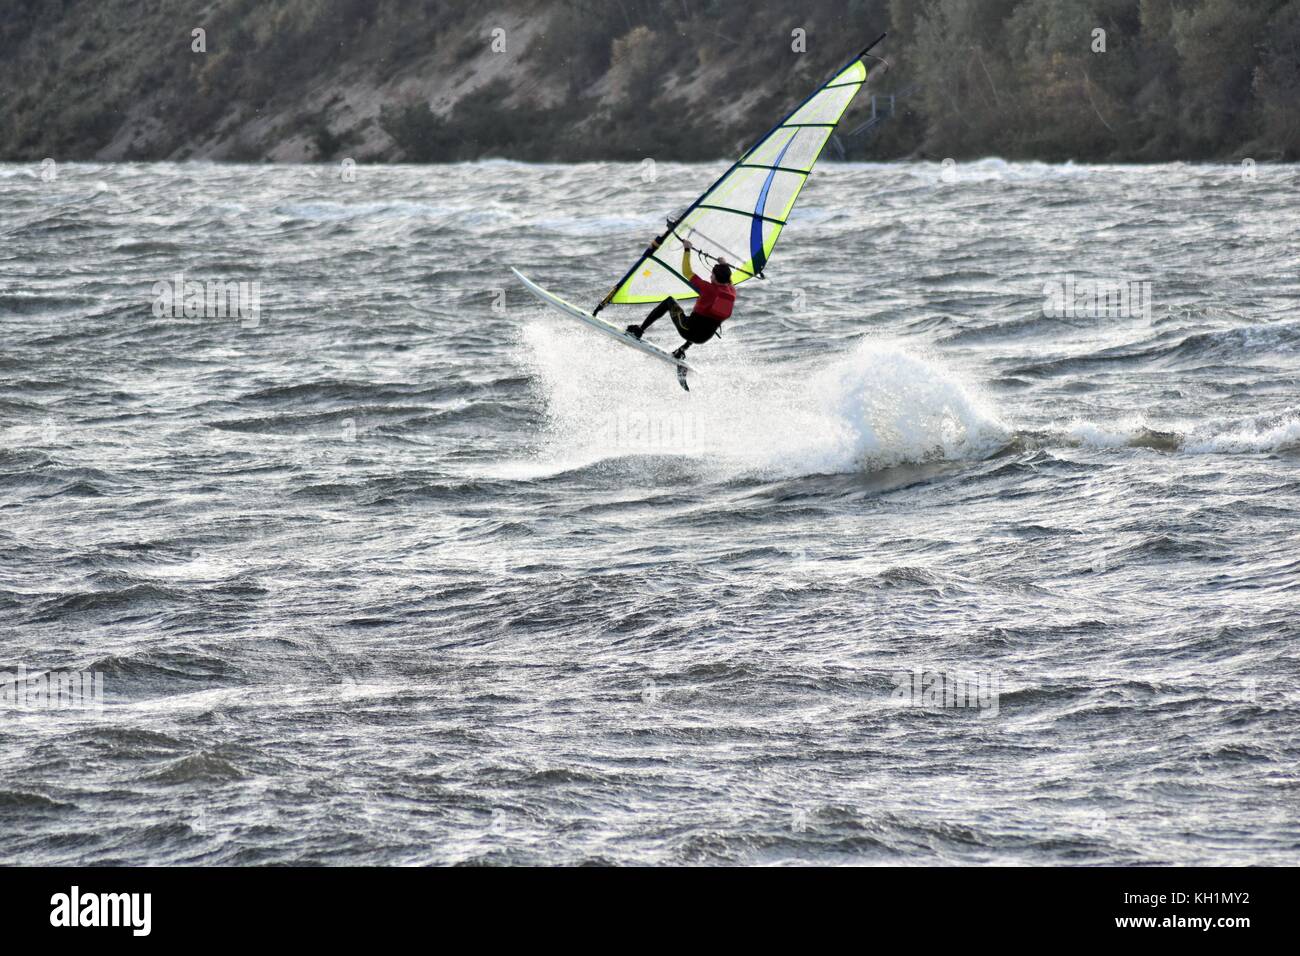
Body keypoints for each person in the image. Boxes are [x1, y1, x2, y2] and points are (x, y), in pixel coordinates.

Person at [625, 238, 735, 360]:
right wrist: (724, 265)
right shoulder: (731, 291)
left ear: (716, 277)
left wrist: (687, 249)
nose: (710, 276)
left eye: (712, 275)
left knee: (669, 302)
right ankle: (681, 350)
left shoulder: (707, 288)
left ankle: (639, 330)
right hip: (704, 337)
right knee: (708, 321)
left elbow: (687, 271)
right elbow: (728, 278)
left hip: (687, 330)